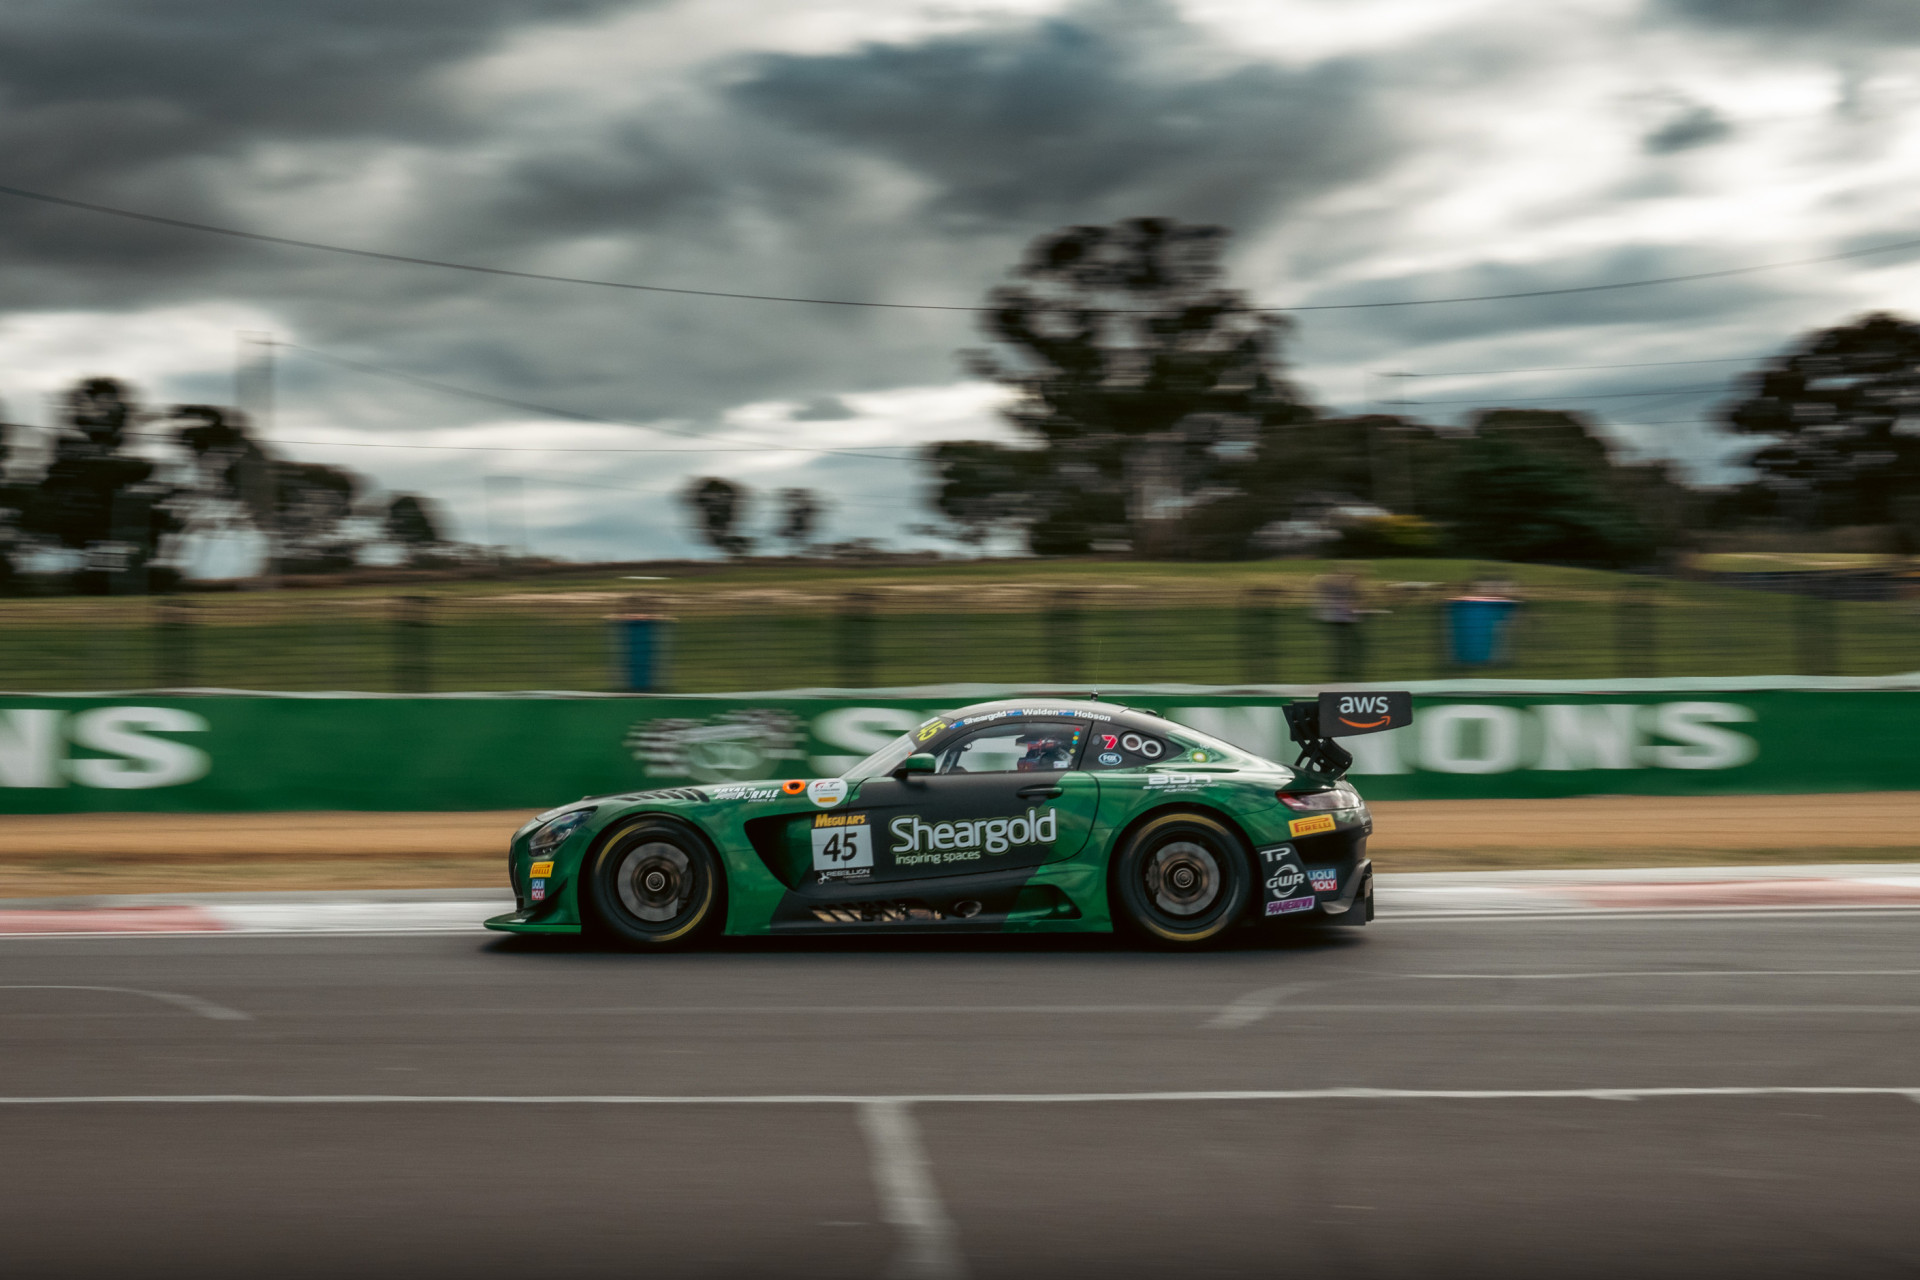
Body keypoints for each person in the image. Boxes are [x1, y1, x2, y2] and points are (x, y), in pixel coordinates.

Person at [1313, 571, 1366, 681]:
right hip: (1341, 619)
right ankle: (1345, 668)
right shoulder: (1343, 589)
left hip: (1341, 619)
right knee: (1346, 645)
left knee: (1344, 645)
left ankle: (1345, 668)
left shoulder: (1344, 590)